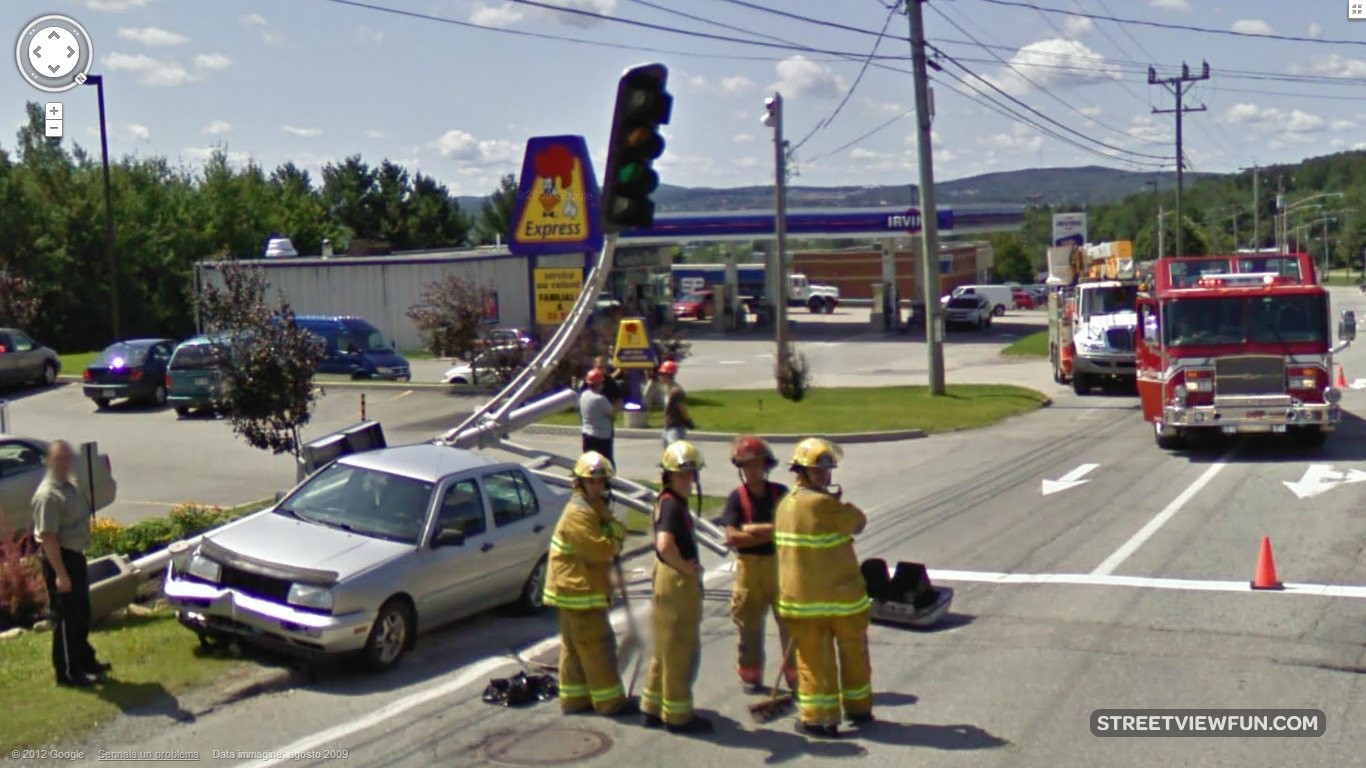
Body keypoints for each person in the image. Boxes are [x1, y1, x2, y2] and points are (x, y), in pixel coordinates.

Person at [775, 437, 872, 738]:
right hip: (841, 599)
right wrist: (844, 505)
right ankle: (847, 711)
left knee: (814, 660)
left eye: (827, 471)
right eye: (819, 471)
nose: (825, 477)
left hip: (800, 602)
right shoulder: (824, 505)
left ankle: (822, 716)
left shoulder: (785, 505)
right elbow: (858, 522)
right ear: (802, 471)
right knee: (847, 655)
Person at [542, 452, 635, 717]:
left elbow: (617, 527)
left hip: (573, 589)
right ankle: (610, 702)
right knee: (598, 645)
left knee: (574, 648)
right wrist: (613, 537)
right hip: (579, 592)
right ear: (579, 482)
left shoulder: (593, 506)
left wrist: (612, 532)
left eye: (601, 481)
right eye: (591, 481)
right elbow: (600, 550)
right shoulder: (578, 513)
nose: (597, 486)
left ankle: (574, 699)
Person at [640, 440, 713, 735]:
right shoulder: (671, 505)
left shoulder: (668, 501)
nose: (689, 479)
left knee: (664, 648)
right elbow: (664, 544)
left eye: (692, 474)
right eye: (683, 474)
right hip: (676, 581)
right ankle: (678, 717)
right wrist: (684, 567)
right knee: (680, 650)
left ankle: (652, 707)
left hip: (666, 579)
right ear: (669, 475)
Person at [718, 435, 792, 694]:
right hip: (749, 570)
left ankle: (795, 676)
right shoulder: (736, 498)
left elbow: (790, 529)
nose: (753, 470)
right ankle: (751, 675)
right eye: (747, 465)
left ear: (766, 464)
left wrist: (754, 529)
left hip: (779, 567)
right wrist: (771, 531)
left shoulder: (781, 494)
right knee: (749, 626)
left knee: (790, 623)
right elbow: (732, 537)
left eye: (757, 464)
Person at [32, 440, 109, 687]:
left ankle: (85, 660)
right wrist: (61, 574)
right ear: (48, 461)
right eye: (60, 459)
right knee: (66, 618)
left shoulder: (68, 486)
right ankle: (67, 672)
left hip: (75, 556)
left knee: (81, 613)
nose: (65, 464)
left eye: (67, 459)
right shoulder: (48, 495)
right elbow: (48, 538)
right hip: (60, 559)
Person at [579, 369, 616, 467]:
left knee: (589, 463)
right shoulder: (600, 399)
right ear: (599, 384)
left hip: (587, 434)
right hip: (601, 436)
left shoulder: (584, 395)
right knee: (604, 464)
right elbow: (612, 415)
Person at [659, 361, 693, 446]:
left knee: (675, 451)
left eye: (662, 374)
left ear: (668, 375)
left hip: (676, 428)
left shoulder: (676, 391)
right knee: (667, 454)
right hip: (667, 427)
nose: (660, 376)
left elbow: (682, 408)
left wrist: (688, 421)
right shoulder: (667, 389)